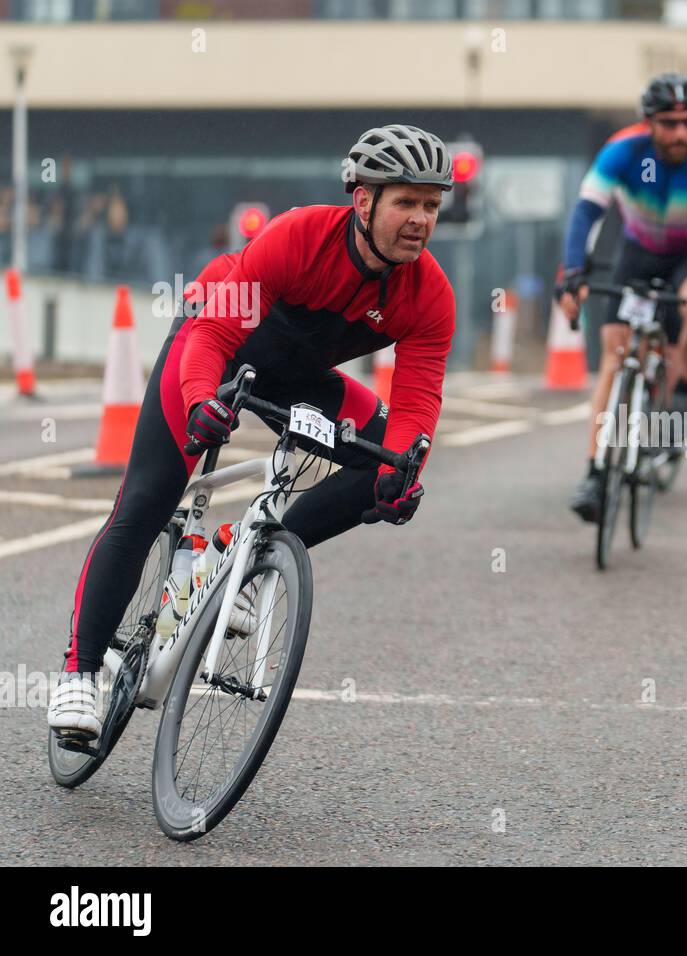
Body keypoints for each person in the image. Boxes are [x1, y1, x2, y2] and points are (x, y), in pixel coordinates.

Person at [47, 124, 457, 742]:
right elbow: (213, 335)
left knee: (386, 471)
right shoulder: (299, 237)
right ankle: (79, 673)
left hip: (298, 376)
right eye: (406, 202)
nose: (420, 220)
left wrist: (402, 470)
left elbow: (416, 402)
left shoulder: (430, 294)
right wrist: (199, 401)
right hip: (212, 347)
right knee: (146, 501)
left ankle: (244, 547)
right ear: (364, 200)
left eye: (431, 205)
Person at [555, 73, 687, 522]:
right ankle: (597, 473)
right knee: (615, 358)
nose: (681, 133)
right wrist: (573, 272)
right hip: (638, 256)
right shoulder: (623, 154)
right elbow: (585, 214)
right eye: (669, 123)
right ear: (649, 122)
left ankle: (683, 393)